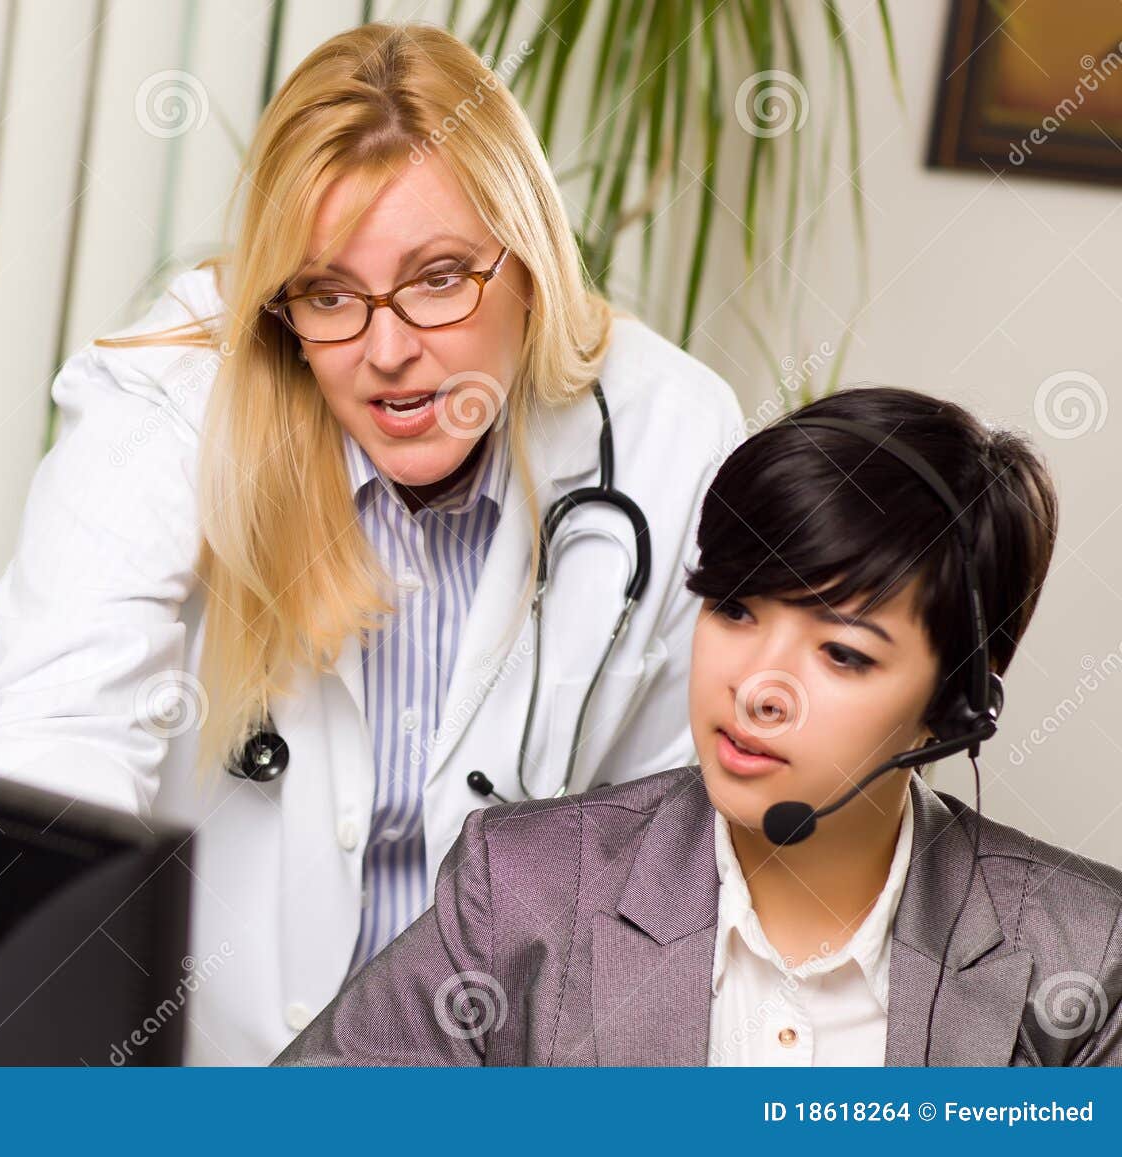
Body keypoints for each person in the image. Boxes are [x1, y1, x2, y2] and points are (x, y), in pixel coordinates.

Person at [0, 22, 743, 1065]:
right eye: (328, 293)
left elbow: (677, 860)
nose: (387, 349)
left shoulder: (667, 432)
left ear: (530, 262)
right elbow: (51, 749)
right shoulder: (175, 391)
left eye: (439, 278)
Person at [275, 385, 1122, 1067]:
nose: (756, 686)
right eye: (735, 608)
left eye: (842, 653)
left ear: (959, 703)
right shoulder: (524, 891)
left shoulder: (1087, 956)